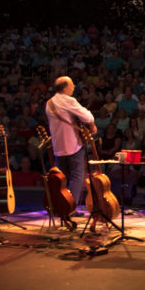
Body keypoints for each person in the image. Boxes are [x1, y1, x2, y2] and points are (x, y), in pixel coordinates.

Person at [45, 75, 96, 205]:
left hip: (58, 147)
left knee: (63, 180)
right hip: (73, 146)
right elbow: (87, 117)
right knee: (77, 178)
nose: (74, 86)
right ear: (65, 87)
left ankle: (61, 207)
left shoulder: (49, 103)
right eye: (72, 84)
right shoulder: (69, 101)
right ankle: (70, 207)